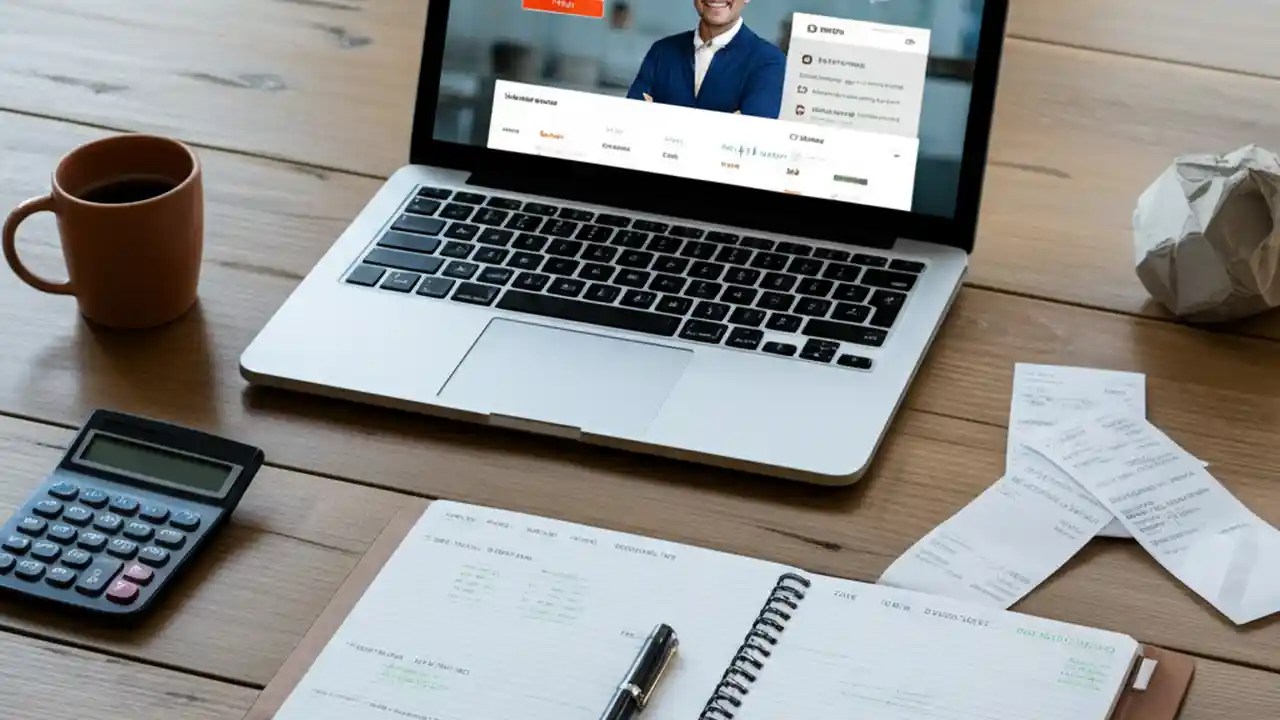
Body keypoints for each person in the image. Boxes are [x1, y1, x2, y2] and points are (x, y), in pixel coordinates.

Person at [627, 0, 786, 118]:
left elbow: (751, 136)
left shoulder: (768, 61)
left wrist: (658, 118)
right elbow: (632, 119)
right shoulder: (662, 51)